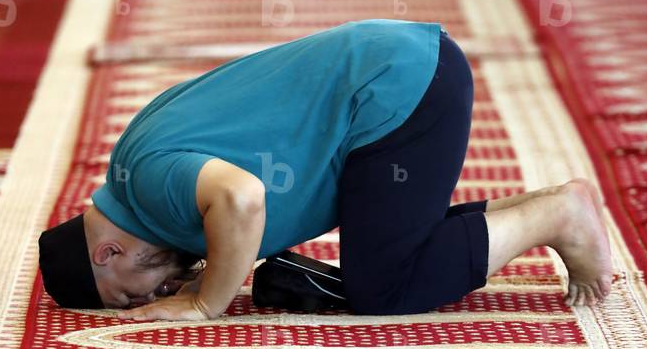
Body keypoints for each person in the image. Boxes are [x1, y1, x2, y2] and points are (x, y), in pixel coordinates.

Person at [38, 19, 612, 321]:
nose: (154, 294)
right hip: (399, 81)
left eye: (128, 296)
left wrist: (205, 302)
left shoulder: (147, 187)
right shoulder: (131, 169)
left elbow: (241, 198)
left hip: (398, 97)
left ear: (107, 254)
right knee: (384, 252)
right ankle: (549, 205)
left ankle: (557, 217)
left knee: (385, 286)